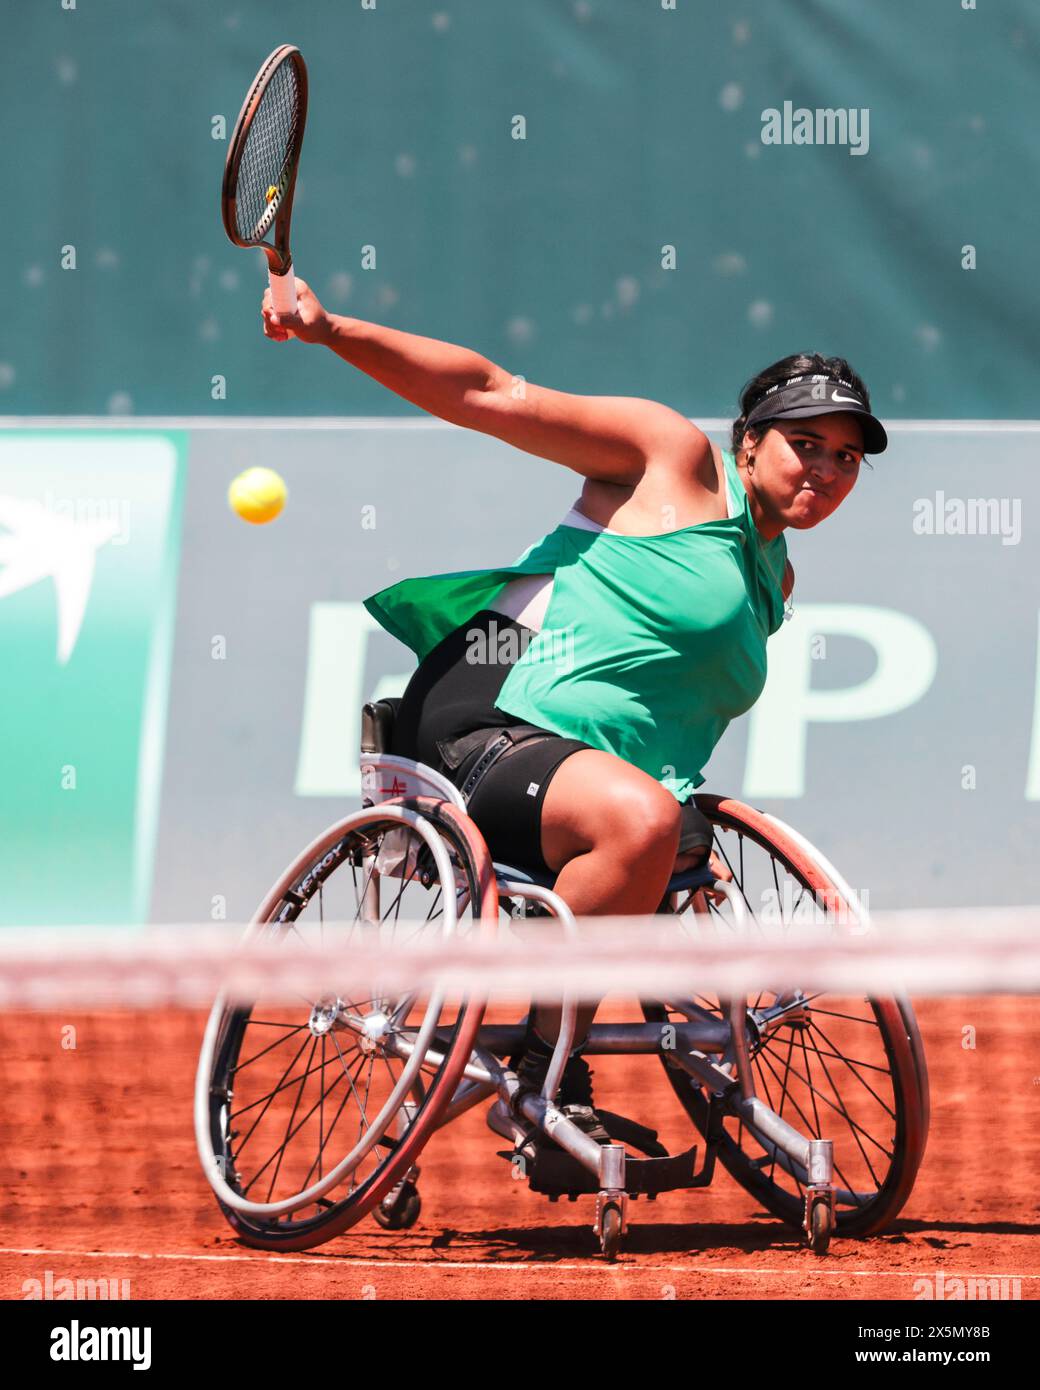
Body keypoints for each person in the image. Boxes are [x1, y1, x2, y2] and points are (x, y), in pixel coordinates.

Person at [261, 282, 887, 1139]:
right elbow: (486, 392)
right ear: (747, 445)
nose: (823, 468)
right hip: (488, 724)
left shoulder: (776, 582)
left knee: (655, 821)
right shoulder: (667, 457)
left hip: (612, 788)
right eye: (804, 442)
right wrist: (331, 329)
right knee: (642, 822)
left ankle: (555, 1042)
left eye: (846, 458)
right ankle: (542, 1070)